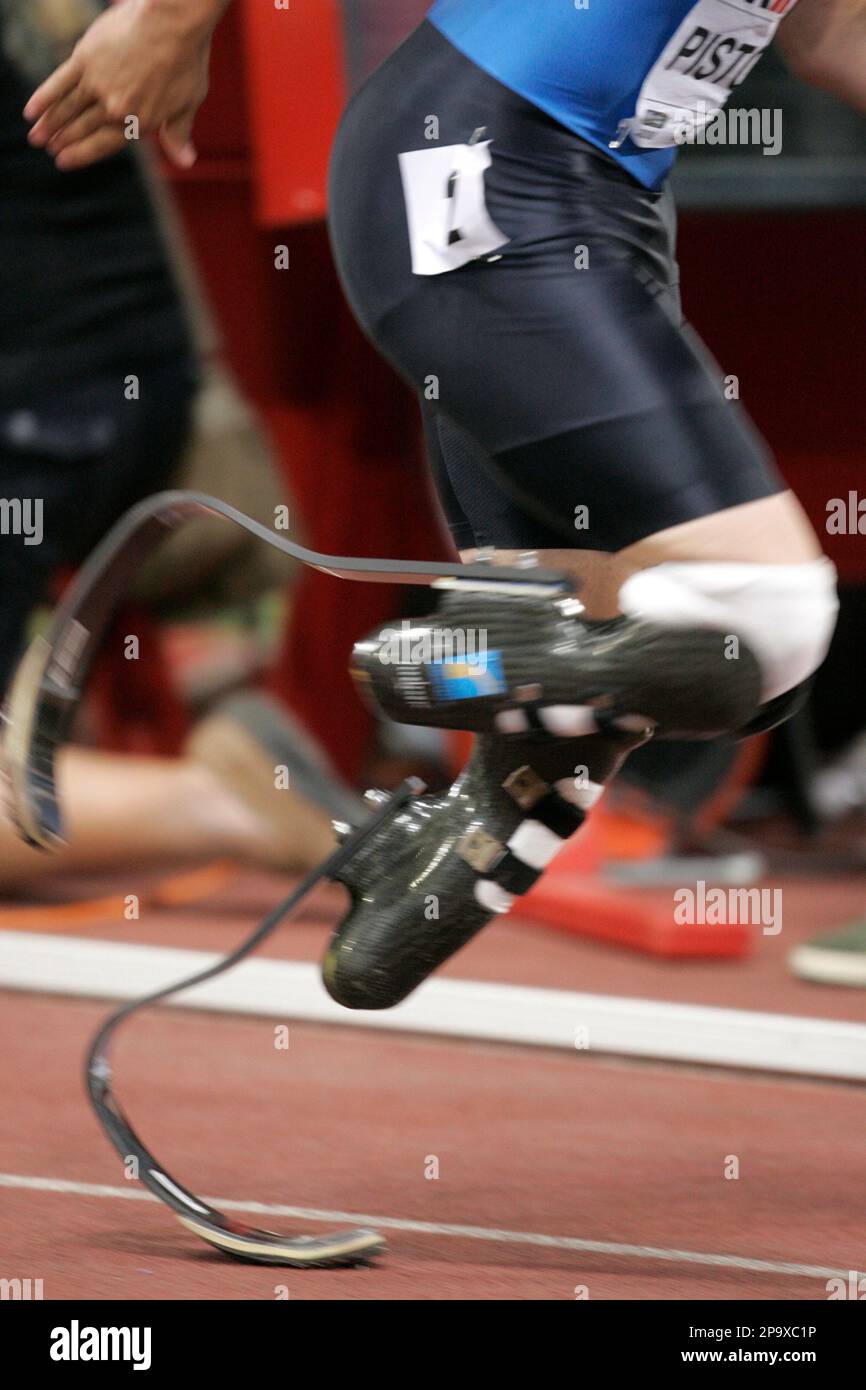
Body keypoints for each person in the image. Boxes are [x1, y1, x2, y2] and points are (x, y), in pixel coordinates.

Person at [21, 0, 863, 998]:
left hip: (588, 203)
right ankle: (422, 670)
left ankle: (423, 849)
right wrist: (169, 19)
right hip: (482, 175)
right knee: (758, 624)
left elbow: (825, 34)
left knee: (665, 703)